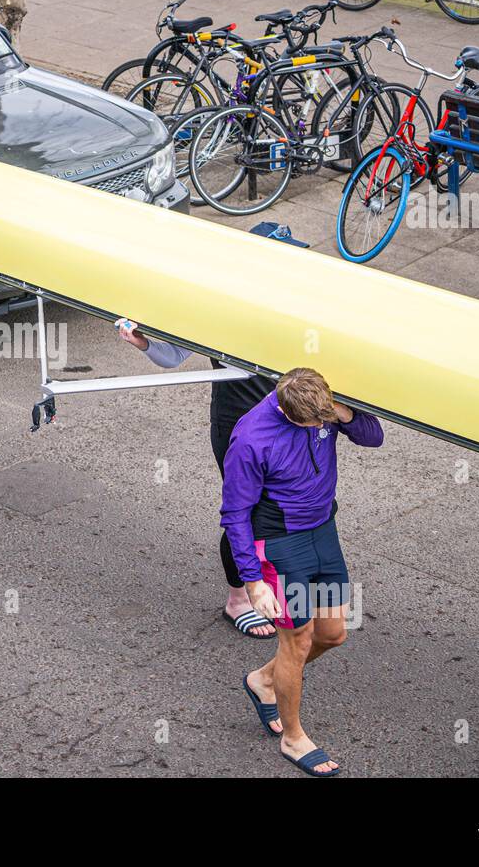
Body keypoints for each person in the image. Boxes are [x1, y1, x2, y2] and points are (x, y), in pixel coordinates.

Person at [222, 368, 383, 776]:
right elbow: (236, 514)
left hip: (323, 534)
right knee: (297, 640)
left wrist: (342, 415)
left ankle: (262, 679)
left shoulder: (322, 409)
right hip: (281, 546)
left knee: (333, 634)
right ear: (291, 415)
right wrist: (253, 580)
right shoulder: (251, 438)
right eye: (314, 422)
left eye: (323, 418)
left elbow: (373, 437)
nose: (320, 427)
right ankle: (293, 738)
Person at [116, 320, 278, 640]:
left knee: (289, 508)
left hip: (293, 423)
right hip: (239, 426)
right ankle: (238, 600)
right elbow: (173, 356)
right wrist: (142, 342)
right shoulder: (217, 307)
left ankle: (273, 581)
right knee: (248, 514)